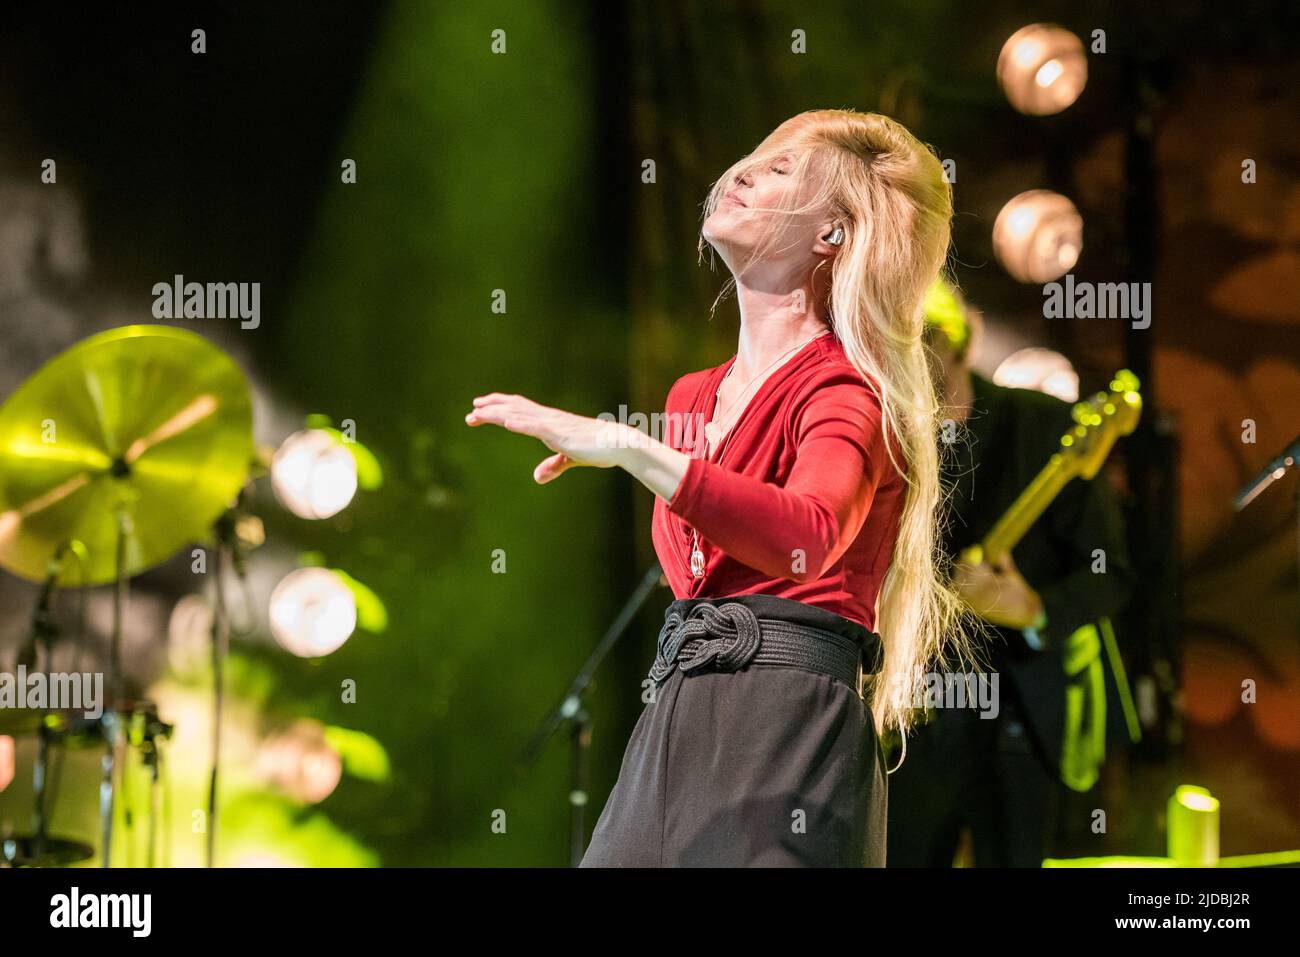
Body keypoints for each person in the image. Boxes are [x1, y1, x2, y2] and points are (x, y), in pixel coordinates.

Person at [467, 109, 975, 867]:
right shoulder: (691, 397)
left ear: (831, 234)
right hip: (680, 709)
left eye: (780, 171)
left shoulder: (847, 391)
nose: (742, 174)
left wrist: (629, 447)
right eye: (752, 160)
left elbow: (806, 537)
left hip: (788, 721)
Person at [885, 280, 1135, 867]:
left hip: (1016, 707)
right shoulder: (885, 442)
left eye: (928, 337)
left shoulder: (1045, 428)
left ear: (962, 342)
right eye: (897, 340)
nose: (914, 355)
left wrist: (1031, 609)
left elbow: (1111, 573)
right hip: (914, 716)